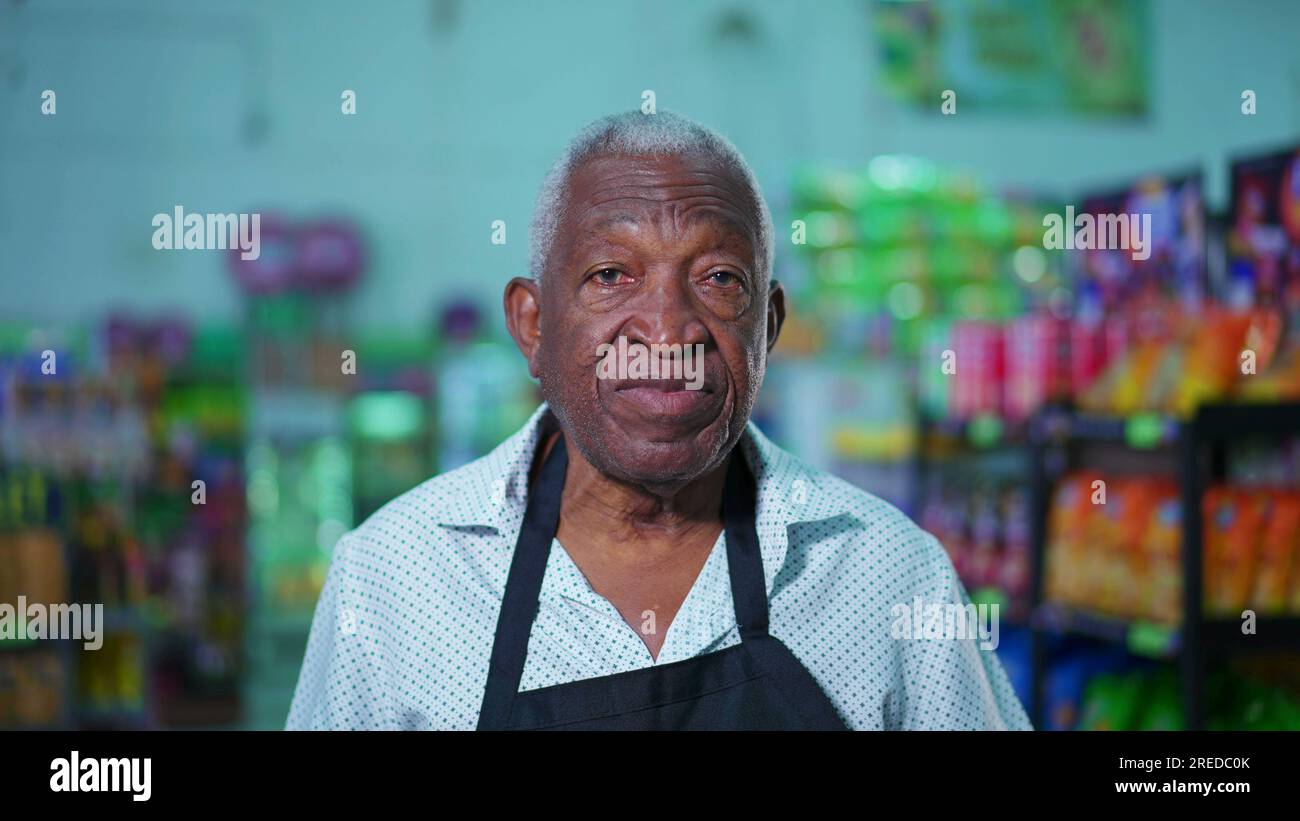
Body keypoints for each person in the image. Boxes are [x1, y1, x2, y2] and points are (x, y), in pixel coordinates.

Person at [287, 110, 1030, 730]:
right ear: (533, 325)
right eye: (611, 276)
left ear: (767, 327)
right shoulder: (390, 578)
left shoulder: (891, 574)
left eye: (717, 279)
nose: (669, 330)